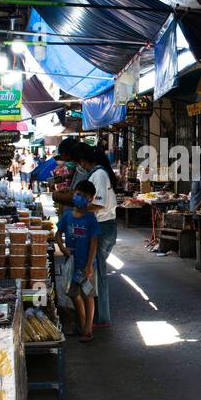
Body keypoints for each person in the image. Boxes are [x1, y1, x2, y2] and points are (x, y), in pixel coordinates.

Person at [77, 144, 119, 328]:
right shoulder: (96, 173)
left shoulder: (99, 175)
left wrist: (80, 210)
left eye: (80, 162)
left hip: (103, 226)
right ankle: (98, 316)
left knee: (99, 272)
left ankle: (102, 317)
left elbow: (99, 204)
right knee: (96, 271)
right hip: (102, 225)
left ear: (84, 161)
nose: (80, 166)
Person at [55, 179, 99, 342]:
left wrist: (89, 266)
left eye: (83, 196)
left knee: (88, 295)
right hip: (72, 264)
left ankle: (87, 329)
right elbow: (58, 234)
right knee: (74, 294)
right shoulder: (67, 216)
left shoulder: (90, 218)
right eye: (78, 194)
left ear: (90, 199)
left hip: (86, 265)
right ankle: (82, 324)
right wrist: (63, 248)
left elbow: (94, 242)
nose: (79, 197)